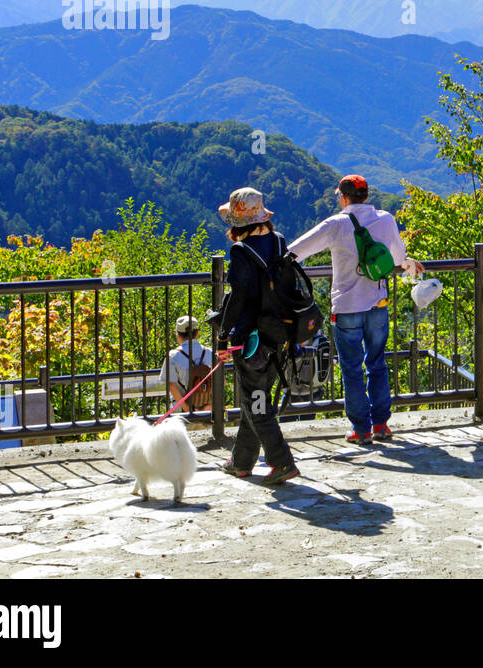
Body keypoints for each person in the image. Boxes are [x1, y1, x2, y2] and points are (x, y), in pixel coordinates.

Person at [288, 175, 422, 445]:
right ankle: (381, 424)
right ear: (367, 196)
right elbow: (397, 258)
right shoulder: (386, 219)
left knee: (351, 368)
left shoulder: (336, 224)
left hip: (347, 307)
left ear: (344, 197)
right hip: (378, 303)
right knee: (377, 363)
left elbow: (294, 252)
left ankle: (361, 429)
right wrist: (406, 262)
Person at [215, 187, 300, 485]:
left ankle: (281, 462)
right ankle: (241, 462)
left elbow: (238, 298)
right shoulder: (278, 241)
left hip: (250, 337)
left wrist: (224, 338)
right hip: (280, 332)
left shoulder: (241, 251)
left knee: (255, 402)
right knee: (258, 397)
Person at [160, 316, 214, 414]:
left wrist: (187, 409)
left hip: (181, 411)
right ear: (197, 334)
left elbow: (171, 385)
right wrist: (209, 405)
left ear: (178, 335)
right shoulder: (210, 353)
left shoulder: (173, 355)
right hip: (208, 411)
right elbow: (221, 382)